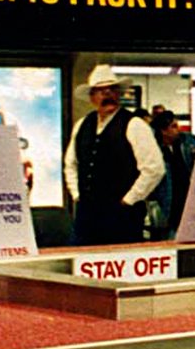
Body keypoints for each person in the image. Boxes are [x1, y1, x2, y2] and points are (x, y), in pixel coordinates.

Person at [64, 65, 164, 246]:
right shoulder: (82, 125)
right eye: (101, 91)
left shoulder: (134, 125)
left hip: (122, 217)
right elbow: (70, 164)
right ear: (92, 97)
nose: (107, 94)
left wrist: (129, 200)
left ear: (119, 94)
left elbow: (155, 169)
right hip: (87, 217)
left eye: (112, 90)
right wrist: (77, 195)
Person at [148, 110, 195, 237]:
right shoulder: (154, 150)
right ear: (163, 130)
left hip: (187, 196)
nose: (179, 129)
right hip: (169, 201)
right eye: (173, 126)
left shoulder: (188, 141)